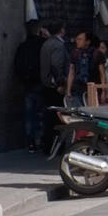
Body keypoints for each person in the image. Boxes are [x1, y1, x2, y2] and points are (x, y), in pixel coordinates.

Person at [13, 20, 45, 152]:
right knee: (40, 113)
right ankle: (39, 139)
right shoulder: (42, 45)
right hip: (40, 83)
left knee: (29, 114)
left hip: (27, 84)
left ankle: (30, 142)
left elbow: (17, 64)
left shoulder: (22, 46)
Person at [39, 21, 69, 152]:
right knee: (56, 118)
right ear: (61, 30)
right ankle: (56, 146)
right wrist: (60, 83)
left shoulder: (46, 44)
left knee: (49, 117)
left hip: (46, 84)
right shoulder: (58, 45)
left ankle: (48, 145)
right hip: (54, 86)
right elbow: (56, 65)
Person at [64, 30, 97, 108]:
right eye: (77, 39)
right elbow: (71, 71)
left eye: (80, 39)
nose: (77, 41)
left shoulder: (95, 53)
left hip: (91, 86)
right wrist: (68, 90)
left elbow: (102, 73)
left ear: (87, 41)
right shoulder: (75, 53)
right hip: (78, 86)